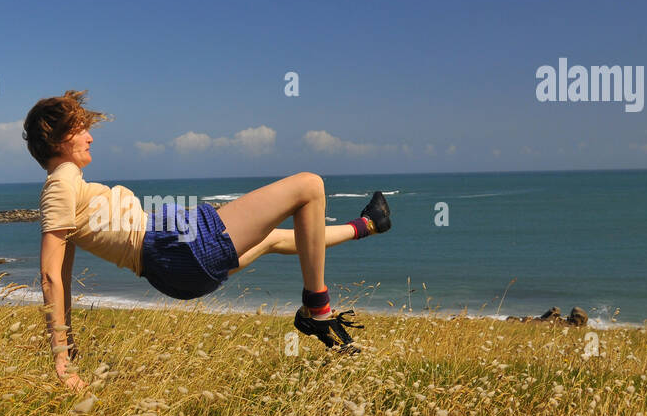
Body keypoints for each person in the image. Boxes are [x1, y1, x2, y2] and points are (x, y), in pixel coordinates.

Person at [23, 90, 392, 389]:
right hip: (175, 248)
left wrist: (66, 345)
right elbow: (51, 276)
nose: (89, 137)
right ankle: (318, 311)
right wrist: (60, 357)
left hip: (173, 263)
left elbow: (62, 279)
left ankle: (368, 224)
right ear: (56, 139)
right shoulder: (63, 181)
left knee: (275, 238)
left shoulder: (68, 188)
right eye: (80, 129)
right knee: (310, 186)